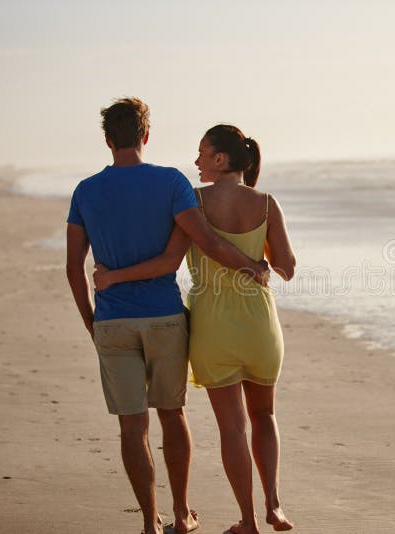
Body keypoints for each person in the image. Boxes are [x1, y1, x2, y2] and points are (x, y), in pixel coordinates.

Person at [65, 100, 270, 534]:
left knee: (131, 425)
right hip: (164, 318)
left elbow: (73, 266)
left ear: (108, 139)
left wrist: (92, 322)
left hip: (112, 322)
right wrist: (252, 267)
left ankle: (148, 521)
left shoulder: (85, 191)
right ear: (145, 136)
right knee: (172, 414)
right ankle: (181, 513)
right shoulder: (171, 182)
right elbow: (207, 243)